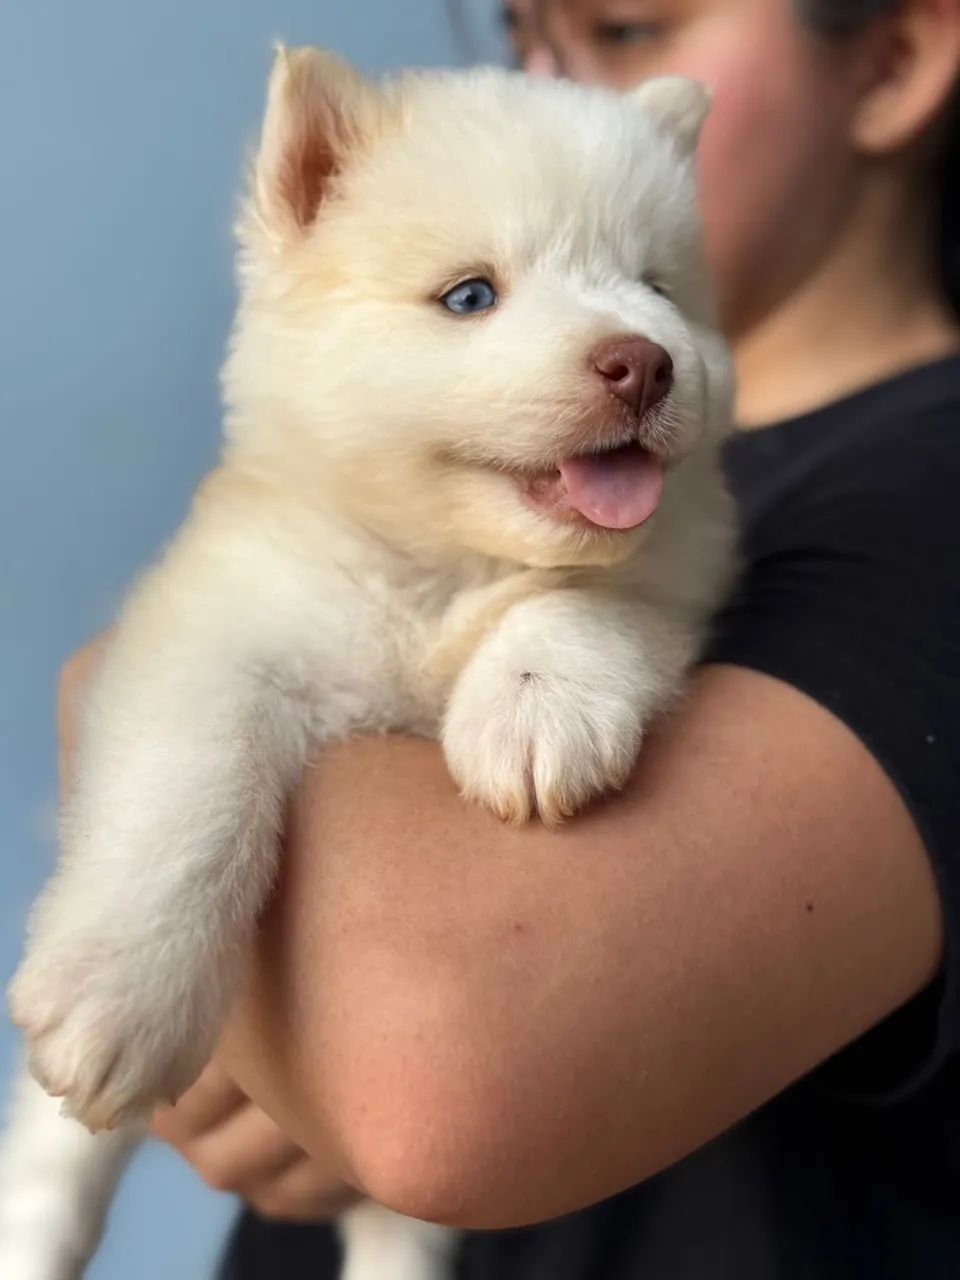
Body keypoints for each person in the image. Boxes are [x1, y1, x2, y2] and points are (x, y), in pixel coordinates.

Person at [57, 0, 960, 1275]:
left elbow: (426, 1085)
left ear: (899, 55)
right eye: (526, 34)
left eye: (627, 28)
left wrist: (134, 679)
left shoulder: (918, 496)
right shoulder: (571, 483)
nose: (547, 83)